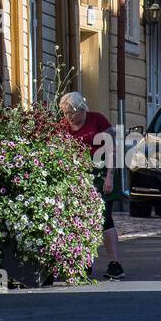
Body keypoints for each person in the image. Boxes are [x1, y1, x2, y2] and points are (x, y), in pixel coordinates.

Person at [59, 91, 123, 280]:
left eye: (70, 112)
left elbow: (112, 149)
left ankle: (115, 264)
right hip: (77, 177)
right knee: (80, 220)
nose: (67, 116)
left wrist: (110, 176)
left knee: (104, 218)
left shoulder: (97, 120)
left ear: (81, 109)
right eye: (64, 112)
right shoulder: (63, 126)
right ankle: (84, 262)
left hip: (102, 174)